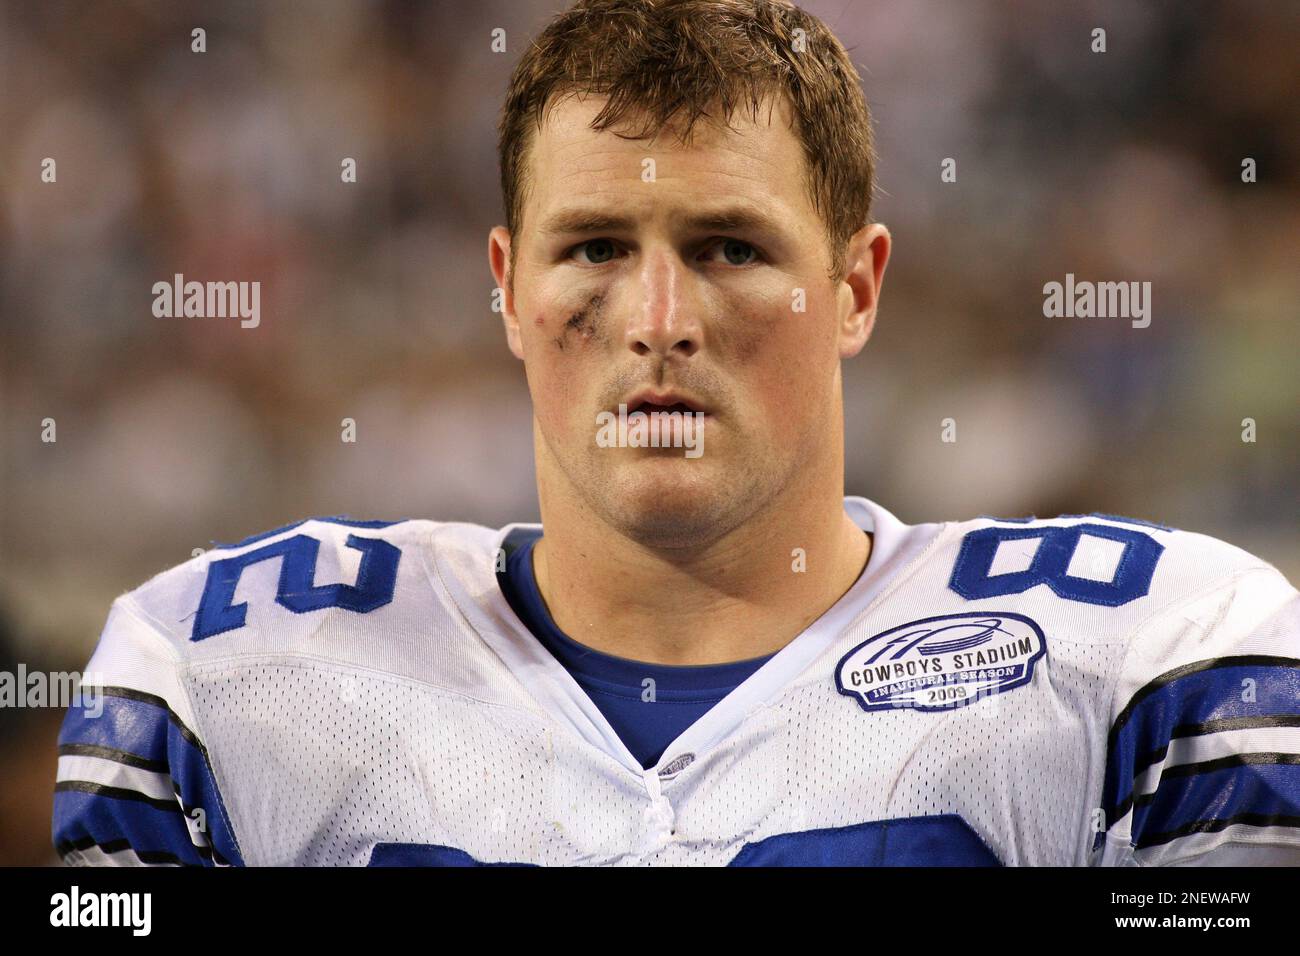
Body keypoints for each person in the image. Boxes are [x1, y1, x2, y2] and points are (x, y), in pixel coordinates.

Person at [54, 0, 1299, 866]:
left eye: (730, 249)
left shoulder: (1155, 664)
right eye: (594, 246)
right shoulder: (221, 679)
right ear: (505, 288)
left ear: (856, 289)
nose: (659, 321)